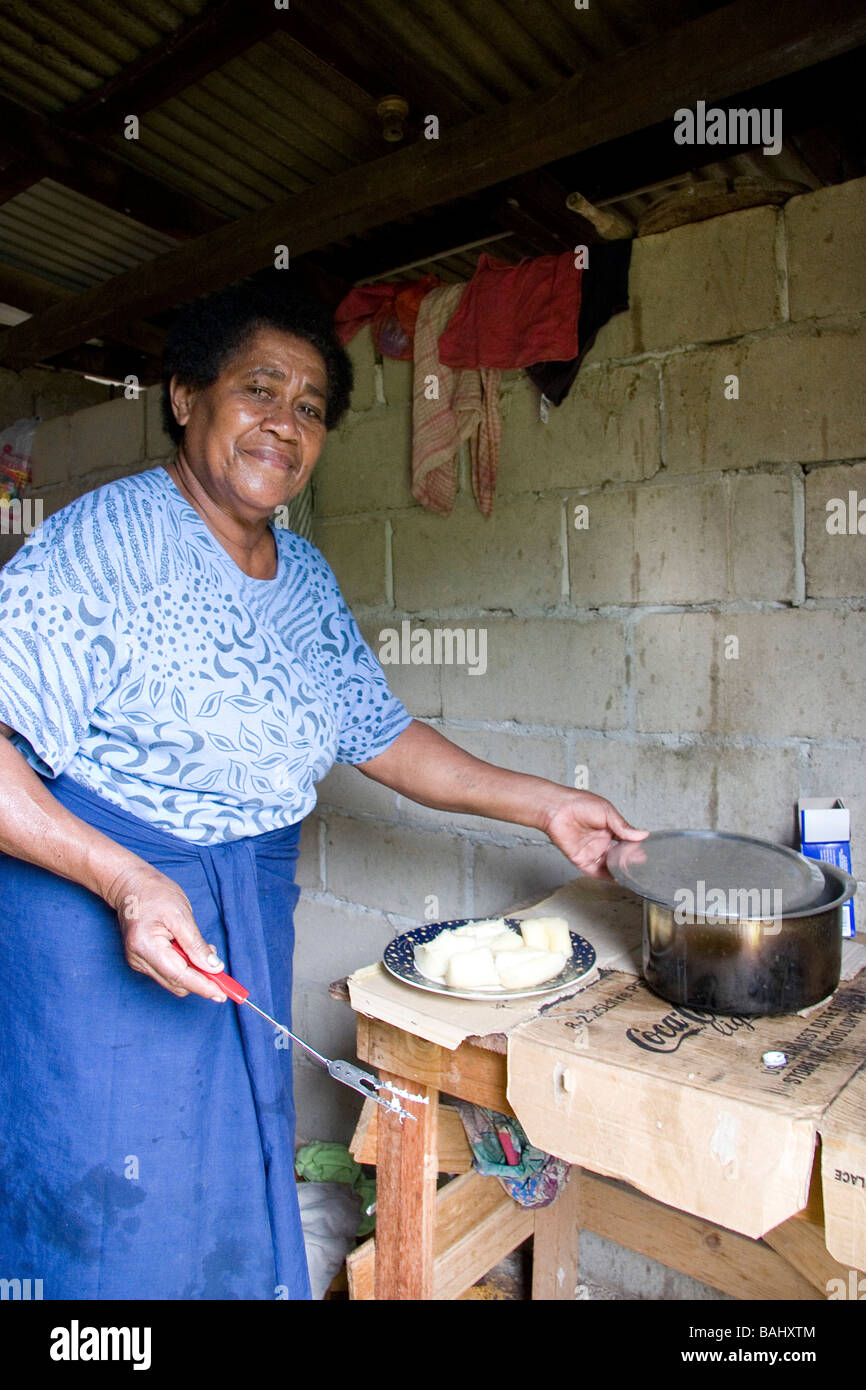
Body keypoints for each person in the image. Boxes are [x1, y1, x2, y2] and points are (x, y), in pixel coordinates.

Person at [0, 273, 645, 1300]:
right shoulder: (101, 544)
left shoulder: (299, 576)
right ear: (184, 396)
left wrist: (544, 802)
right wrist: (124, 881)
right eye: (258, 390)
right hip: (96, 919)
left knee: (227, 1165)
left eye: (309, 409)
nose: (283, 425)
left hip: (241, 905)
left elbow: (381, 736)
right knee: (111, 1201)